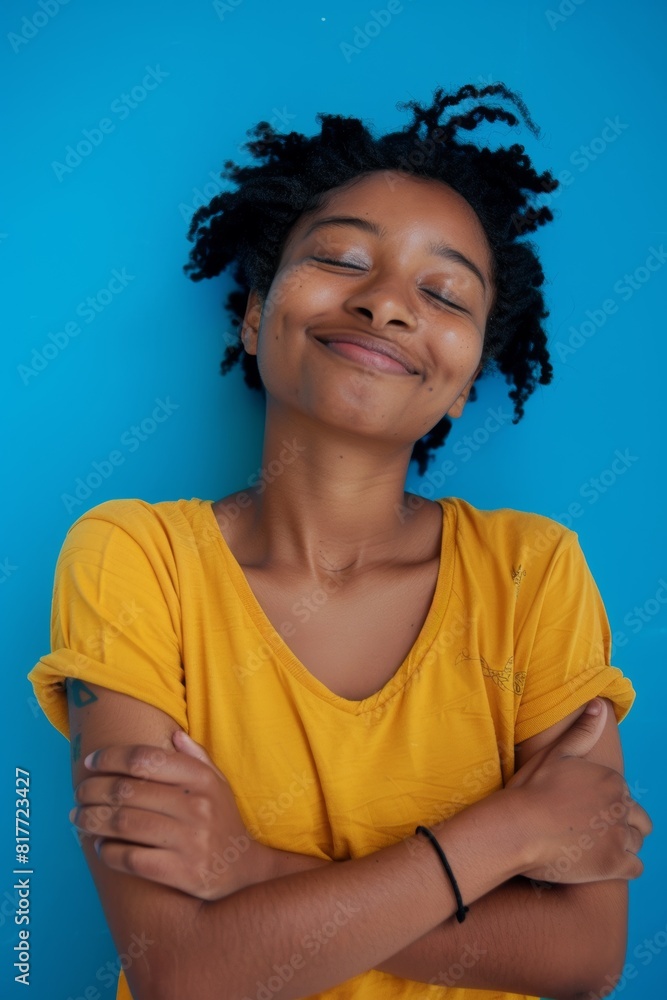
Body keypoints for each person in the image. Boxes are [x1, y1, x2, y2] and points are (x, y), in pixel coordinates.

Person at [29, 82, 652, 1000]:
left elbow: (583, 953)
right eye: (341, 258)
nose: (387, 304)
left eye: (442, 293)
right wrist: (514, 831)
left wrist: (252, 866)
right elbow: (182, 970)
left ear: (464, 382)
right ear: (252, 314)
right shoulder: (133, 558)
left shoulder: (533, 573)